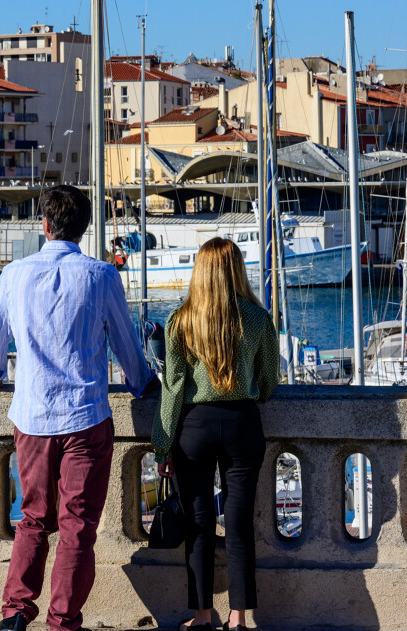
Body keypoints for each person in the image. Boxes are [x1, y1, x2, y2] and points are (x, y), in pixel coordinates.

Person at [0, 184, 158, 631]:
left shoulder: (14, 273)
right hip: (85, 417)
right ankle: (62, 621)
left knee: (33, 517)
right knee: (76, 528)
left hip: (32, 417)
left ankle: (15, 612)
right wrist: (145, 384)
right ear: (84, 229)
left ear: (44, 226)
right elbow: (128, 349)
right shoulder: (101, 275)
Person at [152, 237, 279, 631]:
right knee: (239, 523)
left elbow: (172, 388)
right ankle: (239, 619)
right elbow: (269, 382)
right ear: (238, 270)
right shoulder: (258, 319)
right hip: (242, 424)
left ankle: (202, 616)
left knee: (199, 523)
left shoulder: (181, 321)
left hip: (194, 428)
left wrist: (162, 444)